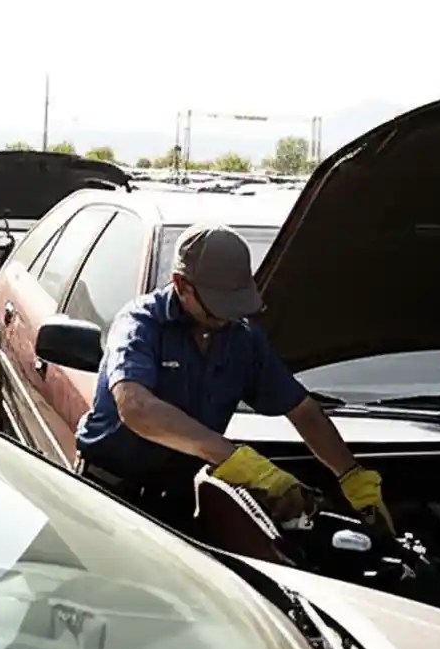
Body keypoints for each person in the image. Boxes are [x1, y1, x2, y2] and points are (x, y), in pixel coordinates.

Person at [74, 222, 392, 535]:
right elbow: (136, 407)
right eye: (217, 308)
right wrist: (240, 462)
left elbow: (303, 410)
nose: (226, 318)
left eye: (234, 306)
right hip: (107, 493)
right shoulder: (140, 324)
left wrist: (351, 475)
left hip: (178, 497)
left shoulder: (242, 338)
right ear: (181, 285)